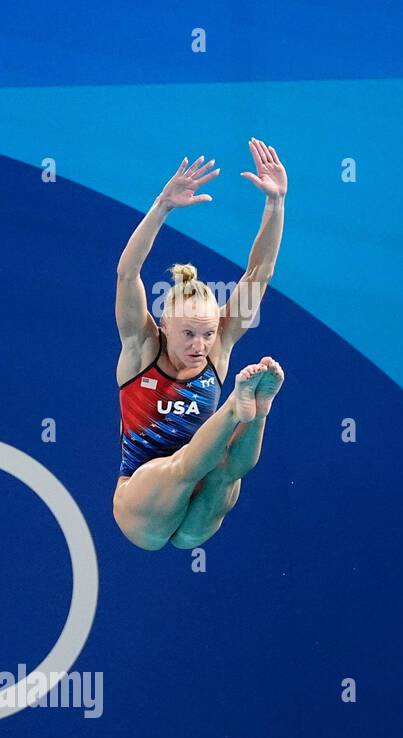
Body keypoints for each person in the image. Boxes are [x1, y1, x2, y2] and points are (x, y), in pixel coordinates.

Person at [114, 140, 287, 551]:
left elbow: (258, 274)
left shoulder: (218, 349)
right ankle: (237, 409)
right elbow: (127, 274)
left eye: (208, 334)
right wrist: (162, 208)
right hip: (142, 508)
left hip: (198, 518)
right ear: (165, 325)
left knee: (228, 469)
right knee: (182, 468)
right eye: (189, 334)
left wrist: (276, 204)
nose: (200, 345)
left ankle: (256, 411)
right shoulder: (142, 347)